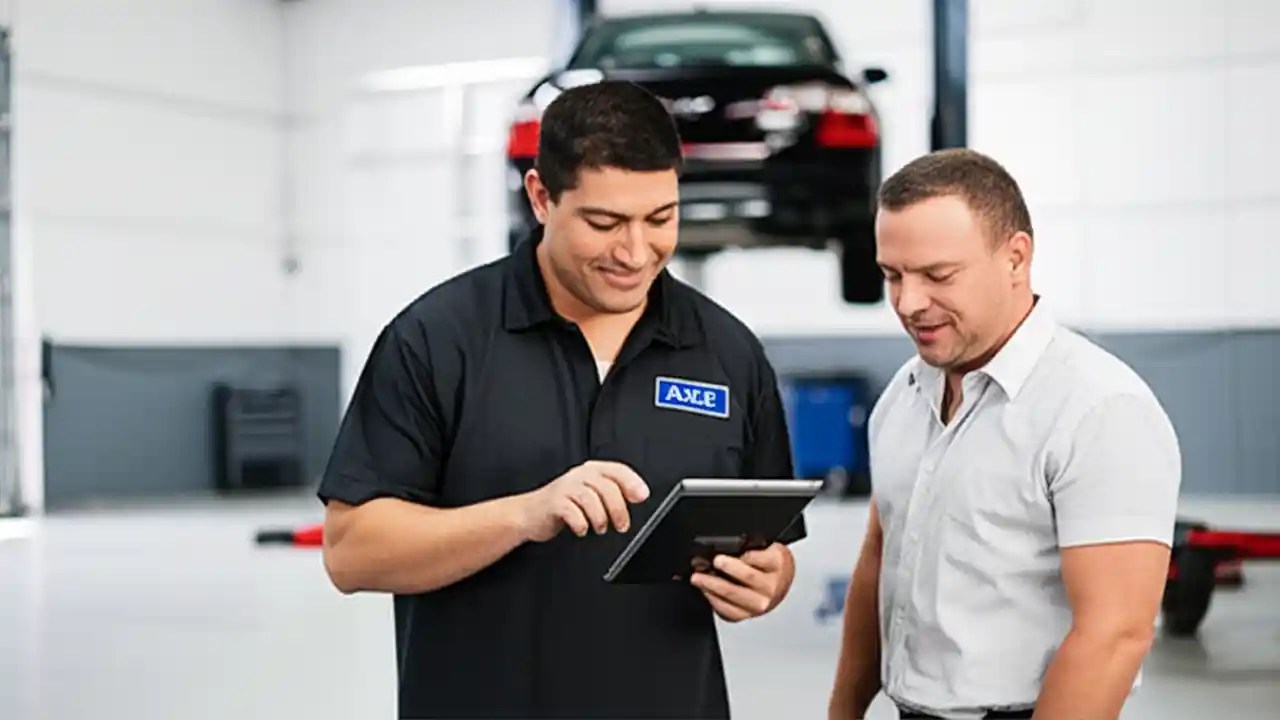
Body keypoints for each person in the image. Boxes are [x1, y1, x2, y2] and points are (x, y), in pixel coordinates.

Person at [317, 80, 807, 719]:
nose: (636, 252)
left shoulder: (727, 352)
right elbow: (352, 552)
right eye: (605, 223)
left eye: (661, 219)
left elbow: (773, 552)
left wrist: (767, 583)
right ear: (541, 197)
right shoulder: (438, 340)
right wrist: (525, 515)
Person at [826, 148, 1182, 720]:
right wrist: (842, 713)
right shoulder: (905, 394)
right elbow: (880, 556)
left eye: (938, 276)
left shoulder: (1098, 408)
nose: (909, 303)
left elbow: (1114, 637)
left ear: (1016, 258)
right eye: (892, 275)